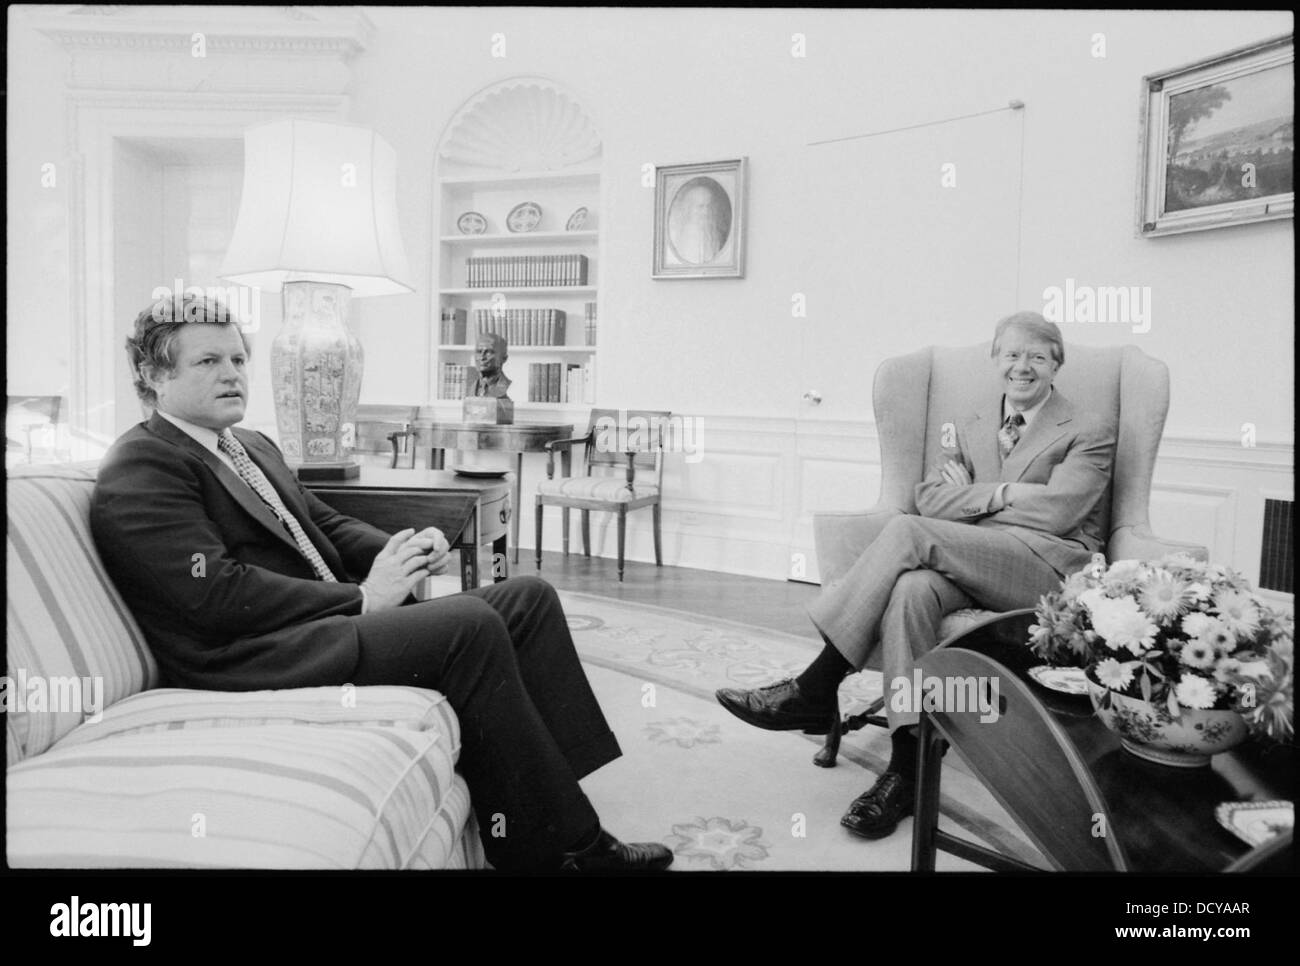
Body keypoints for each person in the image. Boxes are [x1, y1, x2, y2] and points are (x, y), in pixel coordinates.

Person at [90, 294, 671, 873]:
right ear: (153, 375)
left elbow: (320, 521)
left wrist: (405, 547)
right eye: (208, 361)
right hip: (246, 654)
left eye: (239, 360)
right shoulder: (143, 464)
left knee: (528, 597)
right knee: (467, 625)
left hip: (320, 621)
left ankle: (548, 803)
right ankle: (567, 850)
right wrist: (365, 597)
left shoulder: (250, 445)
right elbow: (213, 593)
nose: (233, 374)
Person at [716, 311, 1115, 840]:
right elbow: (928, 496)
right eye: (1013, 355)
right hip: (969, 559)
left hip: (1044, 571)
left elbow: (1060, 513)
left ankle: (816, 684)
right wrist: (1006, 494)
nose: (1023, 367)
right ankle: (907, 769)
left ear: (1056, 366)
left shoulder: (1089, 428)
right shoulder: (968, 423)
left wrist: (971, 499)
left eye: (1038, 357)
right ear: (995, 361)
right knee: (910, 589)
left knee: (908, 534)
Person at [466, 333, 512, 398]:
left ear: (504, 358)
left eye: (489, 352)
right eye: (479, 352)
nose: (482, 357)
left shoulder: (509, 389)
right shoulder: (471, 388)